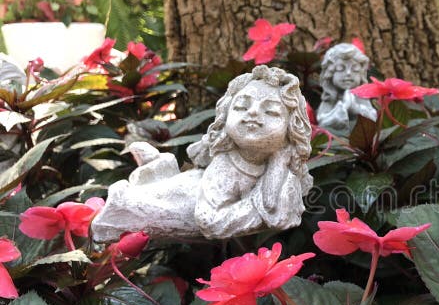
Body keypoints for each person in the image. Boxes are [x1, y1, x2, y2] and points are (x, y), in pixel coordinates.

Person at [92, 65, 312, 241]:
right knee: (139, 204)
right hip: (184, 204)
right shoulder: (225, 165)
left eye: (271, 111)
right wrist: (258, 207)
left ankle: (160, 170)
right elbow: (211, 220)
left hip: (195, 192)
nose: (253, 113)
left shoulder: (279, 159)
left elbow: (273, 202)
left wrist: (277, 166)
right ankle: (144, 185)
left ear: (291, 129)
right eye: (241, 107)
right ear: (225, 119)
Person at [316, 43, 377, 130]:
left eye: (354, 69)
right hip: (335, 141)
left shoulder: (360, 98)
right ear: (330, 74)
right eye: (341, 68)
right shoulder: (330, 98)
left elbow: (373, 118)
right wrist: (341, 110)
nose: (348, 73)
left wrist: (355, 108)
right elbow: (322, 122)